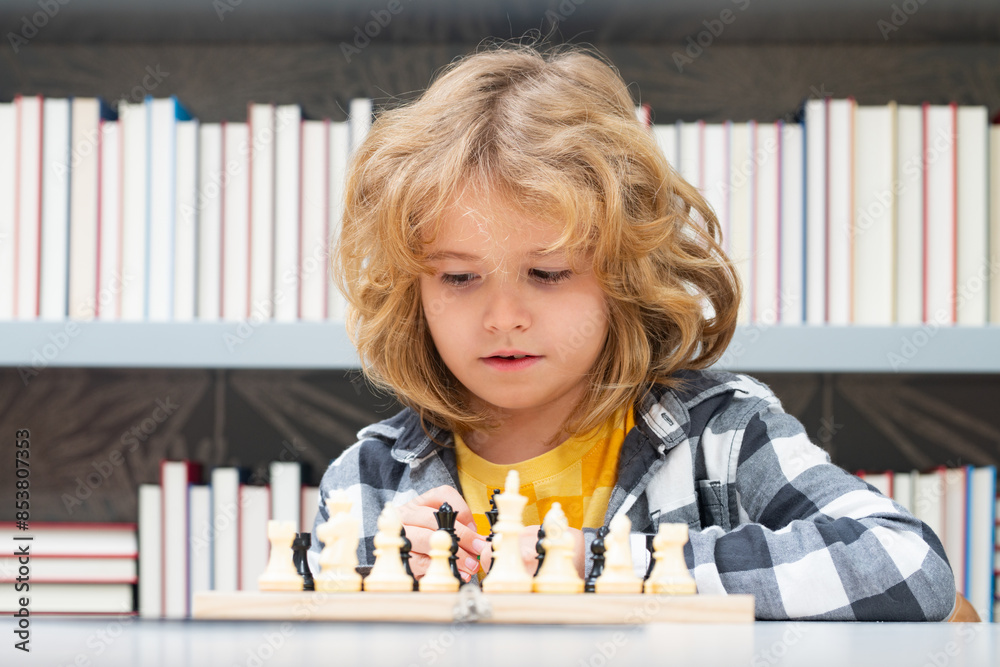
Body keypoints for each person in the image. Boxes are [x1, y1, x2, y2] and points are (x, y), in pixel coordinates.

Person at [312, 43, 956, 620]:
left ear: (623, 277)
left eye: (548, 272)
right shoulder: (369, 484)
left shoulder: (723, 437)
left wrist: (596, 566)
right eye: (458, 278)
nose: (503, 316)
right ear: (412, 291)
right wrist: (386, 582)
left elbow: (904, 564)